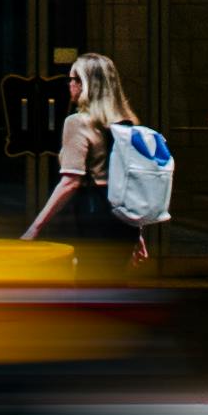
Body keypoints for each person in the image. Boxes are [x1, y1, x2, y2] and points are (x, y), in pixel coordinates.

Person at [22, 50, 157, 268]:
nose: (70, 85)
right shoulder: (126, 122)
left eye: (73, 79)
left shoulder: (78, 122)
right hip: (124, 223)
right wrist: (137, 232)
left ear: (86, 85)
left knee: (91, 285)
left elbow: (70, 181)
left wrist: (34, 228)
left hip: (95, 215)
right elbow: (129, 182)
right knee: (114, 288)